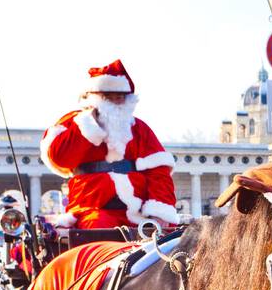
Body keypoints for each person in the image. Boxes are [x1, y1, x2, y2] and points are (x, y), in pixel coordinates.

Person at [40, 59, 178, 230]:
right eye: (107, 97)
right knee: (98, 229)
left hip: (138, 211)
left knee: (173, 240)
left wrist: (159, 211)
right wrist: (88, 126)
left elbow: (159, 174)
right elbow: (60, 159)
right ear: (95, 98)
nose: (113, 103)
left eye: (118, 98)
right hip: (92, 208)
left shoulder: (139, 129)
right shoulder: (75, 123)